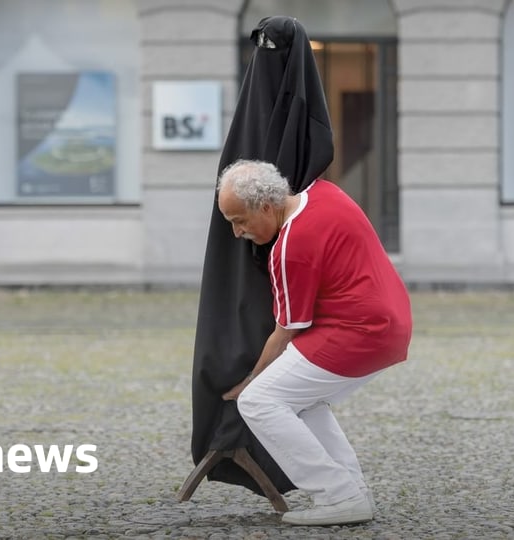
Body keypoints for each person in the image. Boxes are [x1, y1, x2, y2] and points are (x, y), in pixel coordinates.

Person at [217, 159, 413, 526]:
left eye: (239, 220)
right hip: (390, 325)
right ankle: (351, 490)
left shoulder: (288, 246)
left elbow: (286, 330)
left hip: (357, 332)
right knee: (302, 402)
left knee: (260, 401)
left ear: (266, 207)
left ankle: (337, 495)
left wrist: (249, 381)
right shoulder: (326, 192)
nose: (237, 232)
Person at [188, 15, 332, 497]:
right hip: (253, 245)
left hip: (271, 245)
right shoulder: (281, 108)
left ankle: (257, 444)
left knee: (267, 347)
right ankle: (231, 434)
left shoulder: (276, 107)